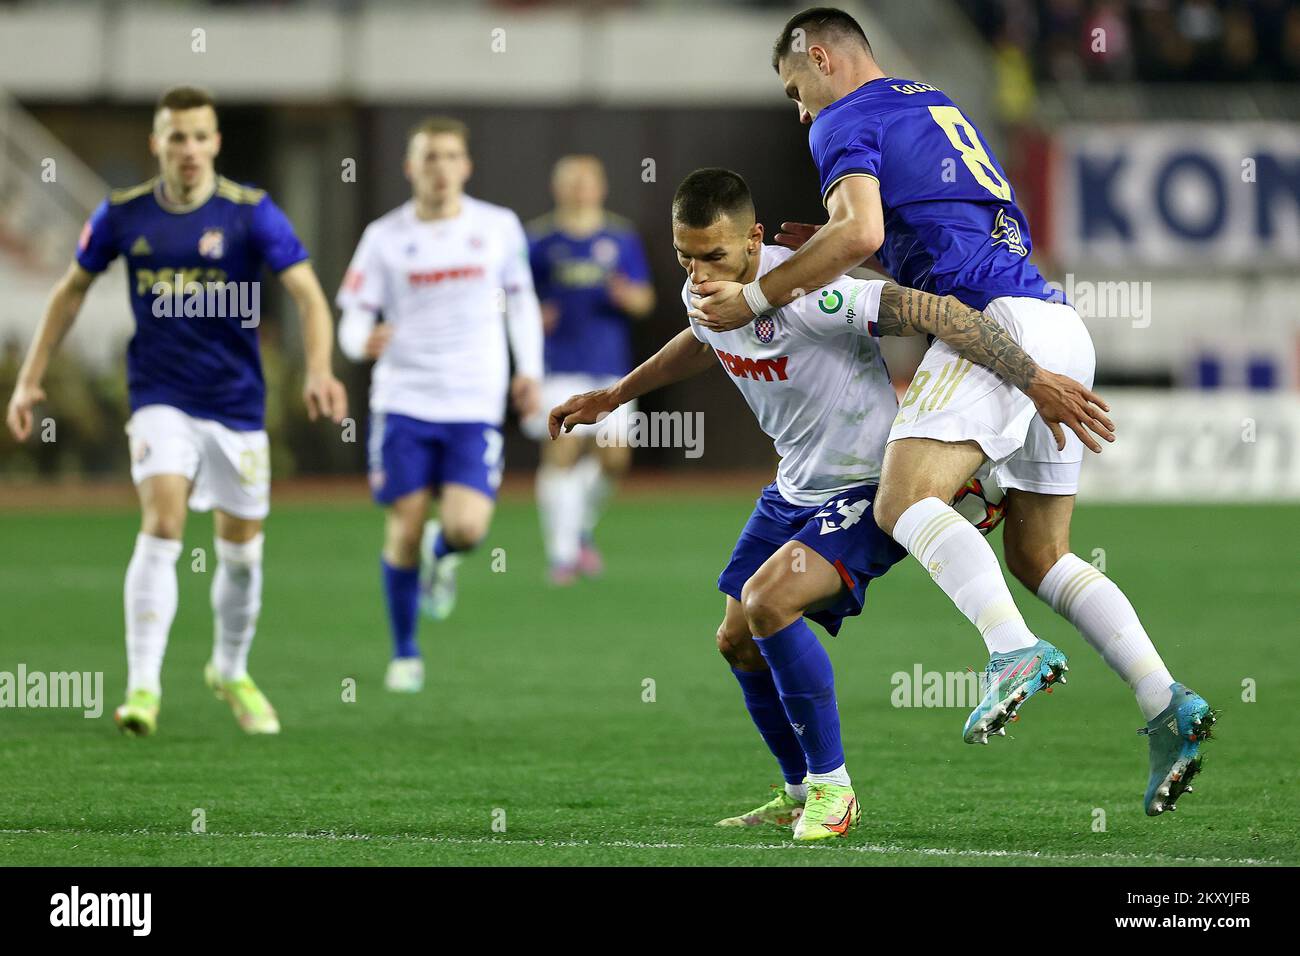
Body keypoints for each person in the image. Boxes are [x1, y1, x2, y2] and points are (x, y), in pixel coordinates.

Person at [693, 8, 1214, 815]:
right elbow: (925, 229)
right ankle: (1164, 700)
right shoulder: (932, 101)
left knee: (902, 500)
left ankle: (1009, 652)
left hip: (994, 327)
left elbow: (862, 225)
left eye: (796, 90)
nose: (801, 112)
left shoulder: (841, 119)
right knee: (1042, 558)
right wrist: (851, 245)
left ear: (821, 60)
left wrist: (763, 291)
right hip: (1054, 318)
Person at [550, 168, 1104, 839]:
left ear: (754, 240)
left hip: (871, 485)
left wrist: (1034, 378)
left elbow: (937, 313)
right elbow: (701, 341)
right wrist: (614, 395)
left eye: (714, 257)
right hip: (796, 487)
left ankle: (833, 792)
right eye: (685, 258)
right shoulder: (706, 288)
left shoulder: (813, 292)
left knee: (768, 602)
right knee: (737, 641)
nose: (697, 273)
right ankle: (793, 790)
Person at [4, 85, 348, 736]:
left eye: (199, 136)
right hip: (160, 397)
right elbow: (69, 292)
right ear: (155, 143)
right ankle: (142, 689)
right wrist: (29, 380)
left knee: (242, 552)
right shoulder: (122, 215)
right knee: (162, 523)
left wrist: (321, 367)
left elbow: (307, 294)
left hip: (239, 406)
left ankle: (229, 669)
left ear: (216, 142)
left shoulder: (251, 214)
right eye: (176, 136)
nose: (188, 149)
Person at [336, 117, 543, 694]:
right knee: (401, 526)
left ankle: (443, 551)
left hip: (473, 399)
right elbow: (353, 314)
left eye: (451, 155)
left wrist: (529, 369)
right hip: (403, 399)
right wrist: (360, 341)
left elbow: (521, 303)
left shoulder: (497, 227)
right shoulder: (384, 237)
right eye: (429, 157)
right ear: (411, 167)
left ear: (466, 166)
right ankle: (405, 653)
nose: (440, 166)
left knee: (468, 528)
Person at [524, 155, 654, 584]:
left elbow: (644, 300)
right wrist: (532, 315)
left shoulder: (619, 239)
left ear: (601, 188)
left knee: (615, 458)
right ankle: (562, 555)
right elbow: (513, 298)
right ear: (557, 188)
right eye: (572, 182)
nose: (580, 189)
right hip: (557, 365)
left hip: (609, 368)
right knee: (561, 452)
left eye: (587, 182)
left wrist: (626, 296)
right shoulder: (539, 241)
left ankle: (578, 526)